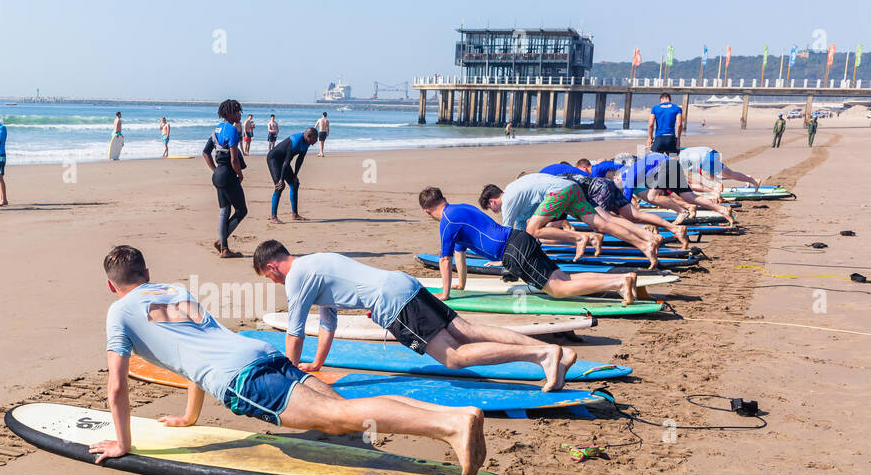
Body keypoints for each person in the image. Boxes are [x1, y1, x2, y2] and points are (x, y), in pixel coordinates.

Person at [93, 246, 487, 475]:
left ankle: (449, 427)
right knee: (338, 412)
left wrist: (123, 445)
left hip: (242, 381)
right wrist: (189, 416)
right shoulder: (173, 290)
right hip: (259, 353)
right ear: (147, 274)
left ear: (113, 285)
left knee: (338, 416)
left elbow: (116, 387)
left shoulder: (119, 312)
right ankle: (457, 414)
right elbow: (196, 350)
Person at [253, 241, 575, 392]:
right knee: (468, 331)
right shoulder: (316, 260)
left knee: (454, 357)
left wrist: (289, 373)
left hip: (392, 303)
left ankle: (543, 355)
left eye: (269, 278)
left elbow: (294, 333)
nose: (274, 283)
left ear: (271, 267)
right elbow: (327, 322)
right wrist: (318, 364)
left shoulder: (296, 277)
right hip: (403, 283)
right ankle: (556, 356)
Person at [419, 187, 639, 306]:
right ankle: (624, 279)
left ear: (427, 211)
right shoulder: (460, 209)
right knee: (563, 278)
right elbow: (459, 254)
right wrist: (460, 284)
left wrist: (445, 294)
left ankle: (618, 282)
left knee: (558, 290)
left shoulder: (447, 222)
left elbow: (445, 260)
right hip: (519, 238)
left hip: (513, 251)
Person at [482, 171, 662, 267]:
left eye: (492, 208)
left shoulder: (508, 200)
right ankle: (644, 245)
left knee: (534, 229)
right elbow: (520, 230)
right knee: (602, 225)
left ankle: (581, 237)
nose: (495, 211)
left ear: (492, 201)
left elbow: (506, 234)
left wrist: (502, 259)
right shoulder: (517, 192)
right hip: (571, 188)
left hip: (559, 192)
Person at [202, 99, 247, 258]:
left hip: (218, 175)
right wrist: (240, 175)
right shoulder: (232, 130)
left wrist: (215, 170)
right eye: (236, 111)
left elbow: (206, 152)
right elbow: (234, 160)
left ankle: (224, 248)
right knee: (242, 210)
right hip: (228, 174)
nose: (239, 114)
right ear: (228, 113)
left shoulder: (216, 130)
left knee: (224, 210)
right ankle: (222, 243)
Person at [266, 128, 317, 222]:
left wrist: (295, 175)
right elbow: (286, 162)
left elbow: (299, 160)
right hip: (274, 159)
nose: (316, 140)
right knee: (280, 186)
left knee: (294, 184)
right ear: (309, 136)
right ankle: (273, 217)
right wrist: (281, 179)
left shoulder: (306, 143)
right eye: (315, 138)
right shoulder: (296, 141)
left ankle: (295, 214)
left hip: (284, 161)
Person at [677, 146, 760, 198]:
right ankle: (752, 180)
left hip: (707, 156)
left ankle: (753, 181)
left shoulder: (681, 159)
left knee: (729, 174)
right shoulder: (684, 155)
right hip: (710, 153)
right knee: (727, 174)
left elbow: (684, 178)